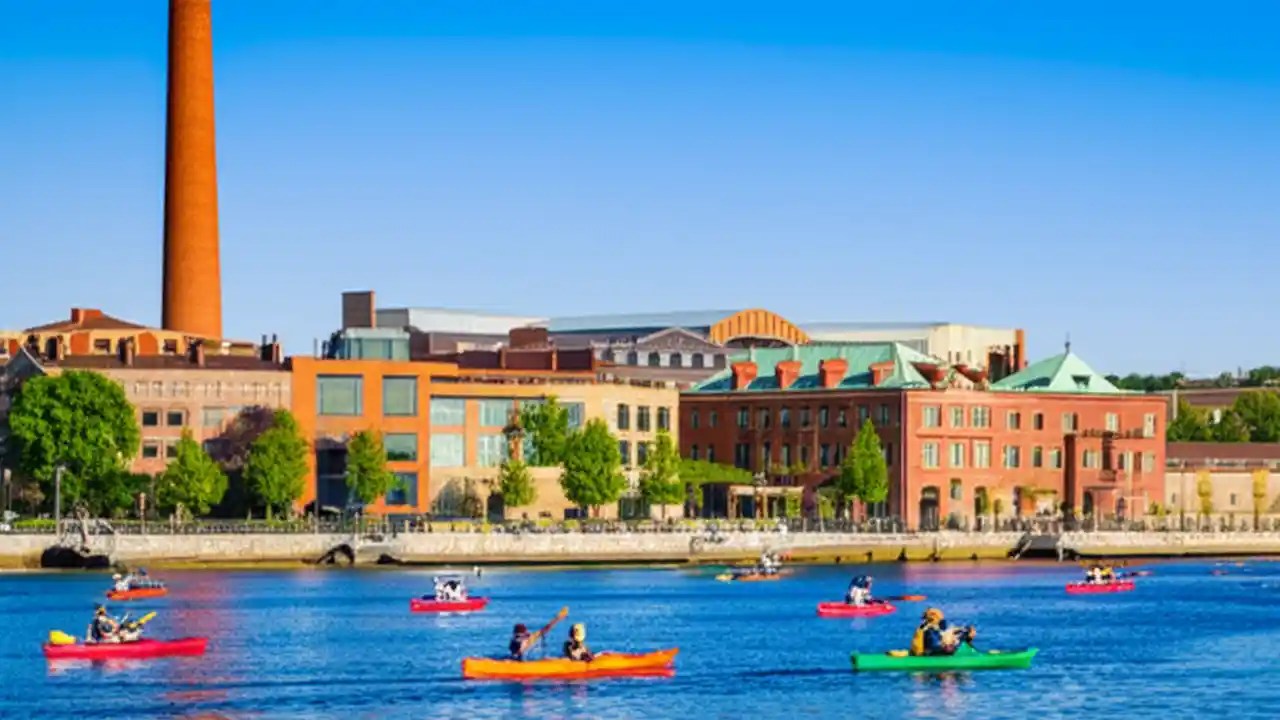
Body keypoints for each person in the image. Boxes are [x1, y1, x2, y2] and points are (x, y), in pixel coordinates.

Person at [910, 608, 976, 656]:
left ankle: (970, 649)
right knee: (967, 630)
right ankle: (972, 651)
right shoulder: (929, 629)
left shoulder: (923, 627)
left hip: (932, 650)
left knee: (964, 631)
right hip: (936, 650)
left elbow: (945, 631)